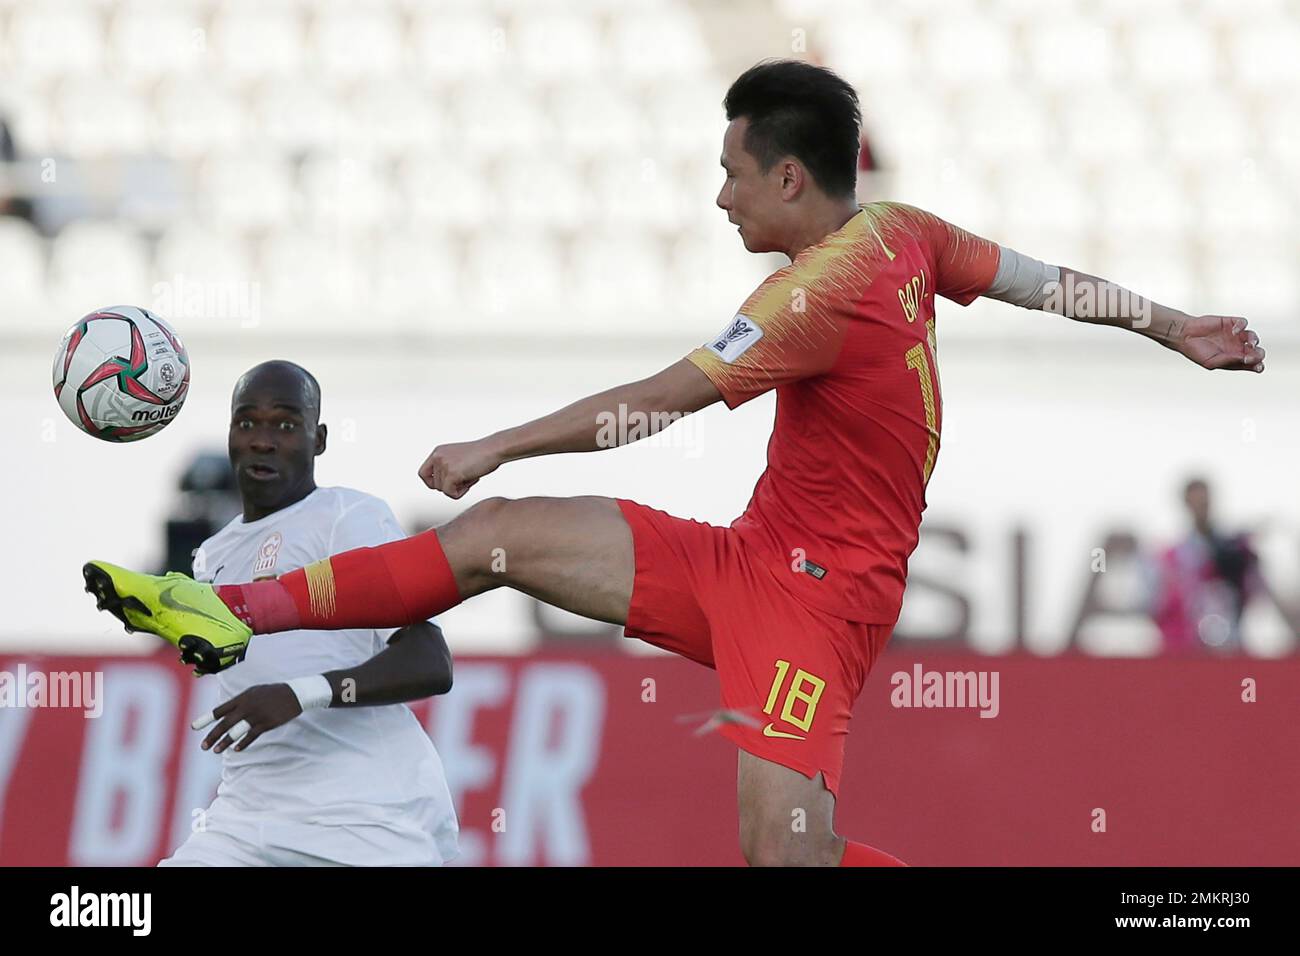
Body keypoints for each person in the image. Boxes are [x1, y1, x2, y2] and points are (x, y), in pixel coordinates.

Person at [84, 61, 1265, 867]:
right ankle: (226, 604)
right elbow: (1042, 280)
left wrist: (501, 432)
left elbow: (647, 410)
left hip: (818, 611)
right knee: (497, 534)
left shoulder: (813, 295)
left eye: (732, 171)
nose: (719, 192)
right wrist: (1173, 324)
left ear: (788, 179)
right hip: (745, 559)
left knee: (780, 856)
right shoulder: (904, 231)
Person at [152, 360, 459, 866]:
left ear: (318, 439)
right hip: (245, 820)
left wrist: (301, 694)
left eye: (286, 424)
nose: (263, 440)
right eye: (247, 422)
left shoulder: (348, 517)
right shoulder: (211, 555)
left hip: (369, 818)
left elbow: (430, 660)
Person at [1152, 477, 1260, 653]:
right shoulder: (1173, 556)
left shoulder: (1236, 550)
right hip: (1185, 648)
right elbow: (1159, 603)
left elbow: (1254, 591)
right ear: (1187, 504)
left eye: (1204, 501)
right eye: (1196, 501)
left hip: (1230, 645)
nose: (1201, 507)